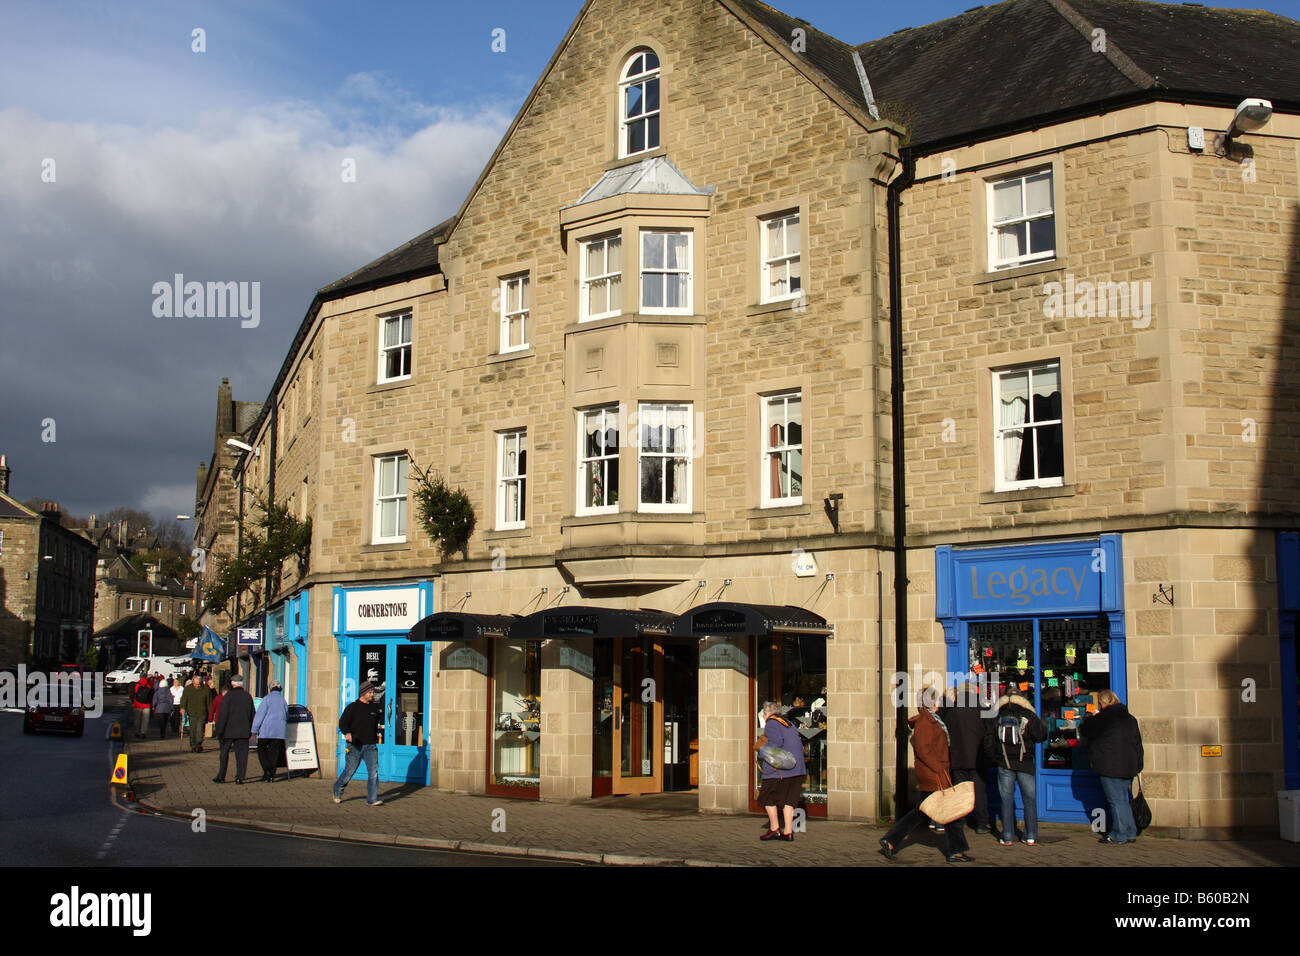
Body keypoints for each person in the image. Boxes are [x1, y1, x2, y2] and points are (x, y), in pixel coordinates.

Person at [879, 686, 973, 863]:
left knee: (923, 811)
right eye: (937, 699)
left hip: (936, 773)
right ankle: (956, 851)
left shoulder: (932, 719)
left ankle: (890, 840)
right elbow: (924, 749)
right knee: (948, 810)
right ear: (931, 702)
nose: (939, 701)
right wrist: (939, 769)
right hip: (934, 775)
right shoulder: (925, 722)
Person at [983, 690, 1048, 846]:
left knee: (1006, 800)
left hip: (1005, 764)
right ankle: (1031, 835)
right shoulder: (1028, 714)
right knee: (1030, 800)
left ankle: (1007, 836)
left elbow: (988, 741)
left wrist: (996, 758)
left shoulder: (996, 715)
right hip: (1025, 763)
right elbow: (1041, 736)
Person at [1081, 688, 1145, 844]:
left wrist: (1090, 717)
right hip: (1128, 765)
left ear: (1102, 702)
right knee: (1122, 800)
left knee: (1116, 800)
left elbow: (1085, 731)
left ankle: (1119, 834)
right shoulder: (1130, 718)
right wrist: (1138, 764)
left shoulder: (1103, 719)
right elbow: (1137, 744)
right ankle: (1130, 831)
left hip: (1110, 765)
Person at [942, 682, 991, 834]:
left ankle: (959, 821)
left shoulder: (952, 710)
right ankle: (982, 823)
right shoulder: (983, 709)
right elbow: (990, 730)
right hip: (978, 756)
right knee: (979, 791)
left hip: (958, 756)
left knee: (960, 791)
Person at [756, 700, 807, 841]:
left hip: (781, 770)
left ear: (766, 714)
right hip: (797, 769)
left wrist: (760, 751)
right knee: (789, 800)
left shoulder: (772, 723)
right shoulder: (788, 722)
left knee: (767, 796)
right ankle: (788, 831)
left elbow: (774, 745)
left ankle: (774, 829)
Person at [334, 681, 384, 806]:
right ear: (363, 693)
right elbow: (343, 723)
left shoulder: (374, 708)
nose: (372, 695)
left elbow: (377, 722)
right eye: (370, 692)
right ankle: (337, 790)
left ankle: (372, 799)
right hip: (355, 746)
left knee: (373, 772)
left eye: (373, 692)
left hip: (370, 746)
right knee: (349, 771)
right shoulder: (352, 707)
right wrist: (347, 733)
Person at [214, 674, 255, 784]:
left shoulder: (227, 697)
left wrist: (219, 730)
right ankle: (239, 777)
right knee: (242, 755)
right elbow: (252, 714)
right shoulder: (247, 696)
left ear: (232, 684)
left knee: (224, 753)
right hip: (243, 730)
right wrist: (251, 730)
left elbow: (222, 715)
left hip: (228, 730)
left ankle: (221, 776)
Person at [251, 680, 288, 783]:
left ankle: (267, 770)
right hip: (279, 732)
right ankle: (271, 774)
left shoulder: (267, 699)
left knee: (261, 750)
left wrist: (254, 729)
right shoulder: (283, 700)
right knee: (274, 752)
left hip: (266, 731)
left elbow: (260, 715)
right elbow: (286, 714)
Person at [179, 673, 213, 753]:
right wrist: (182, 708)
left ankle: (198, 744)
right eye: (195, 684)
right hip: (191, 712)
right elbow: (184, 699)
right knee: (192, 730)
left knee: (200, 730)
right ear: (193, 682)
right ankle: (193, 745)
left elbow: (209, 702)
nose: (196, 686)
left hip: (202, 712)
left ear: (201, 682)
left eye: (198, 684)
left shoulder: (206, 689)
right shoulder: (188, 689)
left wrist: (211, 712)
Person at [130, 672, 154, 738]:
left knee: (137, 719)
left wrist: (133, 702)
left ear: (140, 677)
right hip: (147, 705)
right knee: (145, 720)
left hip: (137, 704)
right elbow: (152, 695)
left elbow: (132, 694)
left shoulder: (136, 685)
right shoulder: (149, 685)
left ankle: (136, 732)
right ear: (146, 677)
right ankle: (143, 732)